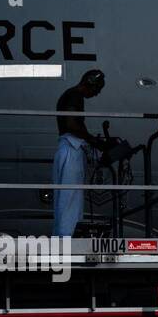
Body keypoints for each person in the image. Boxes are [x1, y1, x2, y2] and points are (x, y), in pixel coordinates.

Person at [51, 69, 105, 236]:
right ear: (89, 84)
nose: (96, 95)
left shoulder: (70, 95)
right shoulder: (75, 96)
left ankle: (63, 237)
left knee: (65, 200)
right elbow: (72, 124)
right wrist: (93, 140)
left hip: (67, 148)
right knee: (70, 200)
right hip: (71, 150)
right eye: (96, 90)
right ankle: (66, 240)